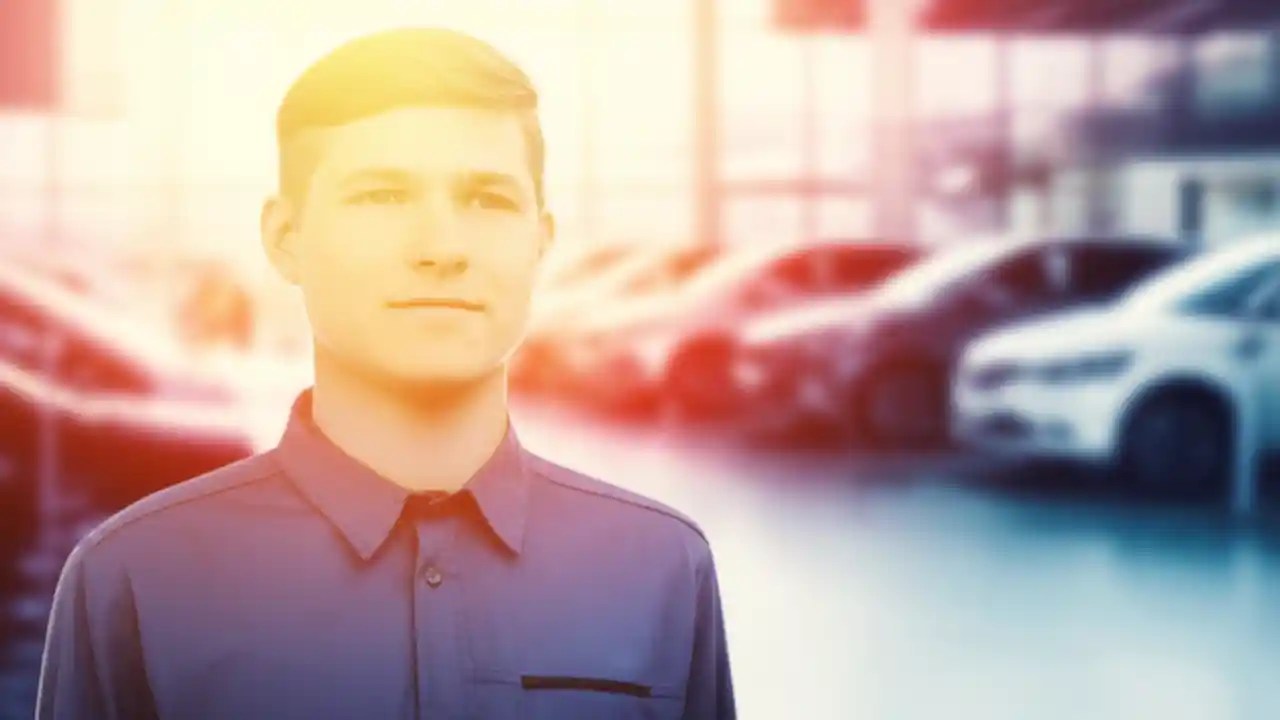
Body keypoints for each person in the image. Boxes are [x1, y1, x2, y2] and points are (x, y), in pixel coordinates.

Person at [36, 27, 734, 719]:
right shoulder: (136, 581)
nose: (442, 247)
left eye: (488, 200)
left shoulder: (662, 569)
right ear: (285, 238)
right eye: (383, 196)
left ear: (539, 241)